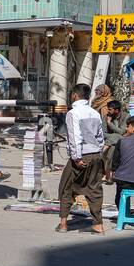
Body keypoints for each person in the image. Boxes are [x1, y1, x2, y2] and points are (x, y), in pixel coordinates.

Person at [56, 83, 106, 234]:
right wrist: (98, 154)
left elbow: (74, 136)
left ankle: (63, 223)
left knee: (66, 187)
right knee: (95, 189)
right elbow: (100, 137)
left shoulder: (73, 113)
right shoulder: (94, 113)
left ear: (74, 95)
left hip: (81, 155)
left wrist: (76, 158)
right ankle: (98, 224)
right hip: (96, 154)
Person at [101, 98, 126, 174]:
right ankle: (110, 174)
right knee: (113, 147)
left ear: (117, 110)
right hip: (112, 141)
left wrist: (110, 123)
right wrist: (113, 136)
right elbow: (103, 133)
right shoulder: (106, 117)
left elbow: (122, 132)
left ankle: (107, 173)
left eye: (110, 109)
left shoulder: (126, 116)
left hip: (123, 139)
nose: (108, 111)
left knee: (116, 137)